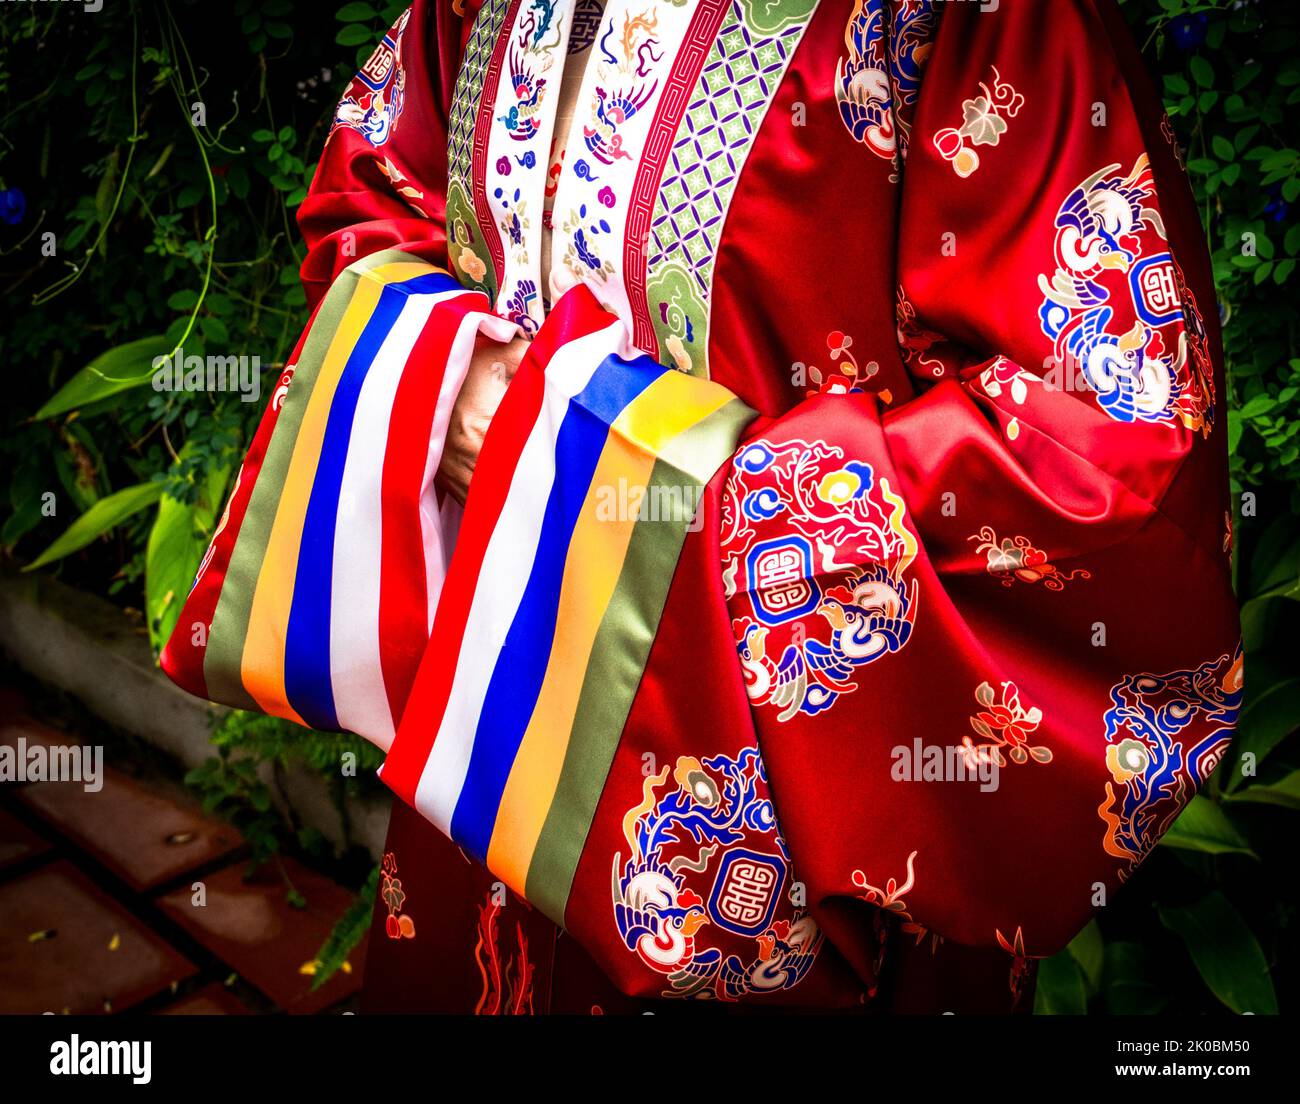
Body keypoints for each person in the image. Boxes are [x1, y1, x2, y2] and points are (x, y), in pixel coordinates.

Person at [163, 0, 1241, 1013]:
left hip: (770, 810)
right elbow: (372, 189)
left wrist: (641, 488)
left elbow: (1107, 444)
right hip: (479, 737)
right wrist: (445, 381)